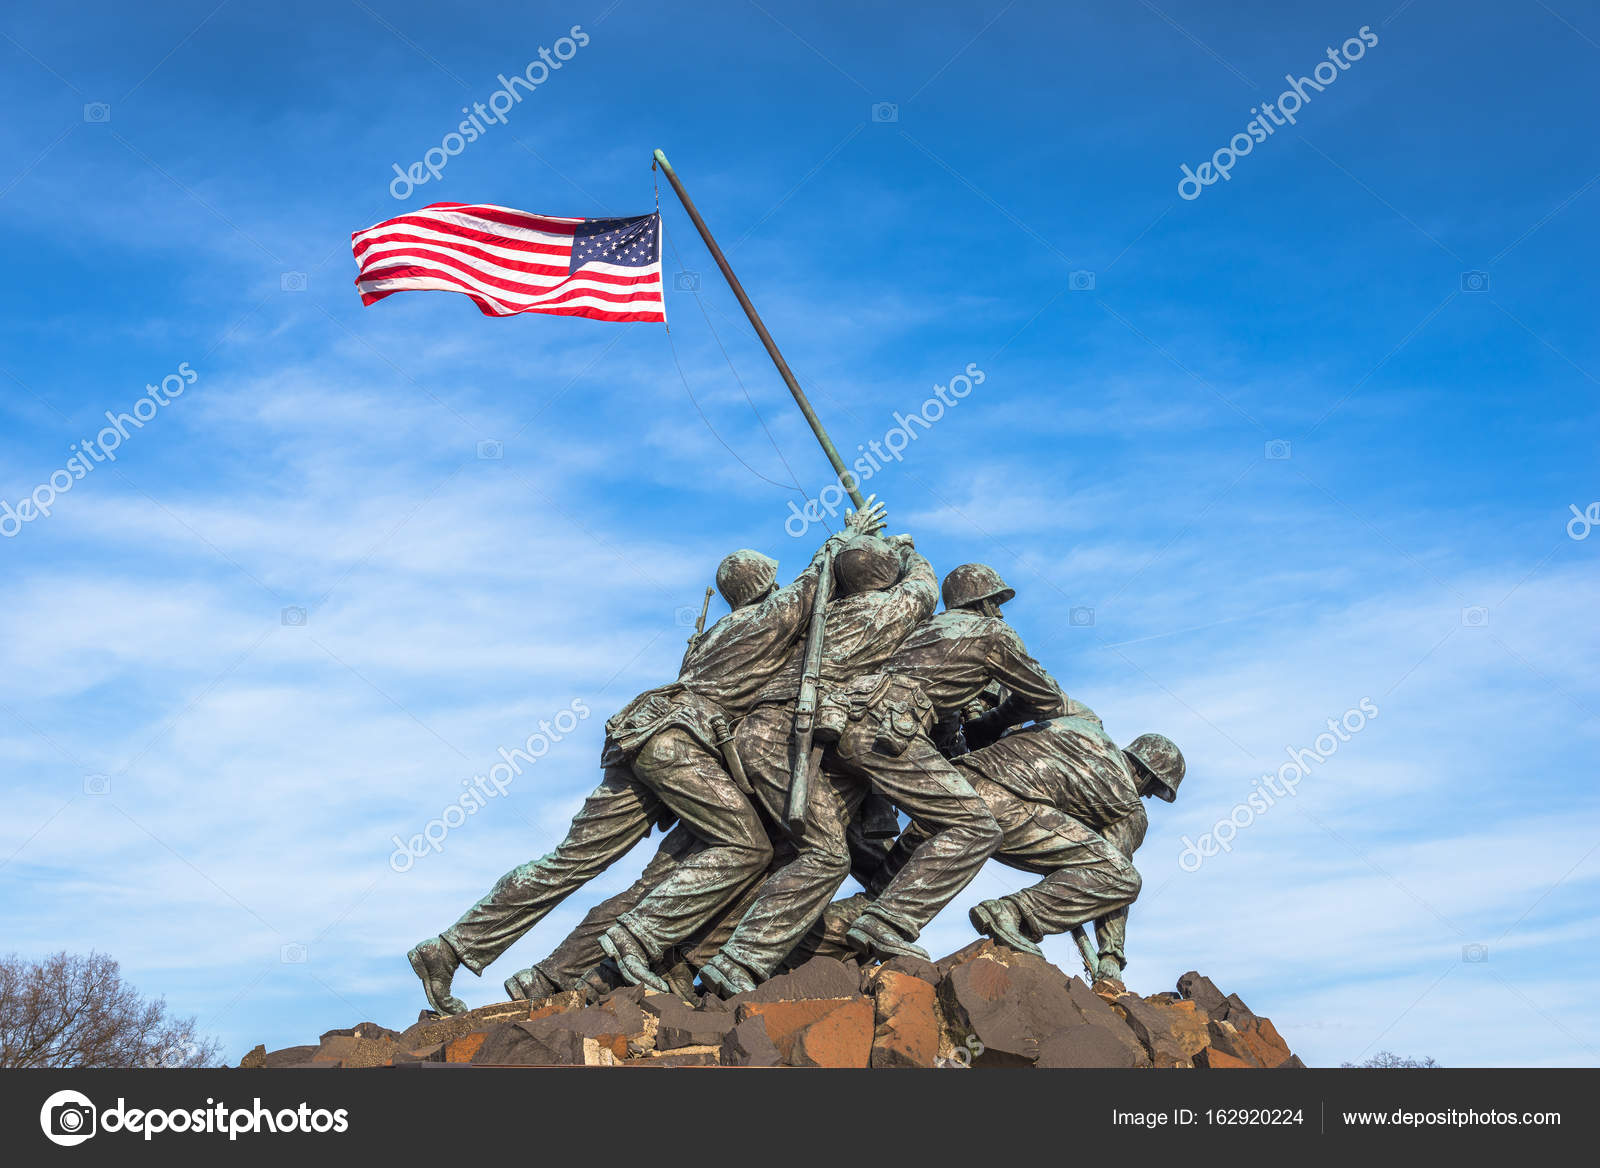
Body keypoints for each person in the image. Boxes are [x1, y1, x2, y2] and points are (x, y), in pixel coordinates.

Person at [405, 504, 884, 1013]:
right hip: (679, 745)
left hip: (641, 737)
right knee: (748, 847)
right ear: (766, 582)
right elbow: (813, 585)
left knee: (571, 862)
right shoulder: (765, 620)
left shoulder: (715, 635)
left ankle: (454, 946)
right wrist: (846, 539)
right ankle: (640, 938)